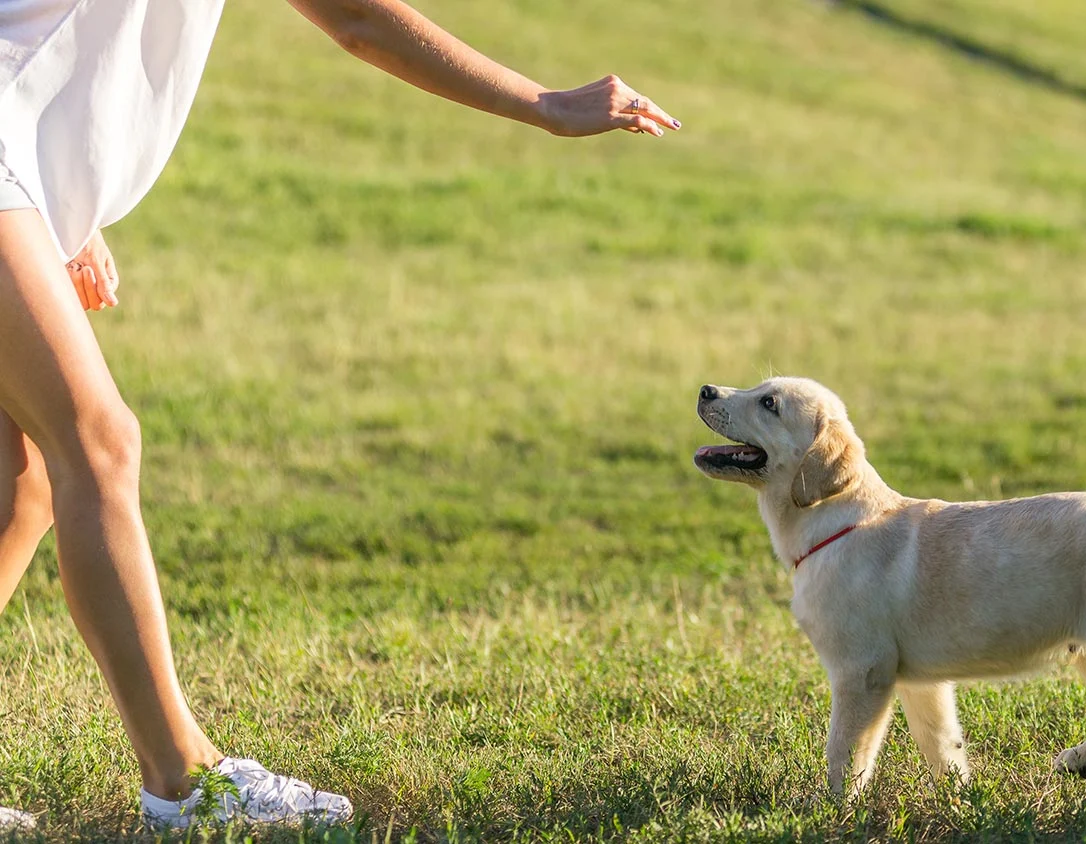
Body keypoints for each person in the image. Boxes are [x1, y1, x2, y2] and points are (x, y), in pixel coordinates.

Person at [0, 0, 679, 831]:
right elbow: (359, 21)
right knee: (99, 443)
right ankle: (186, 782)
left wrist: (55, 207)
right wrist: (542, 102)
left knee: (23, 485)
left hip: (19, 166)